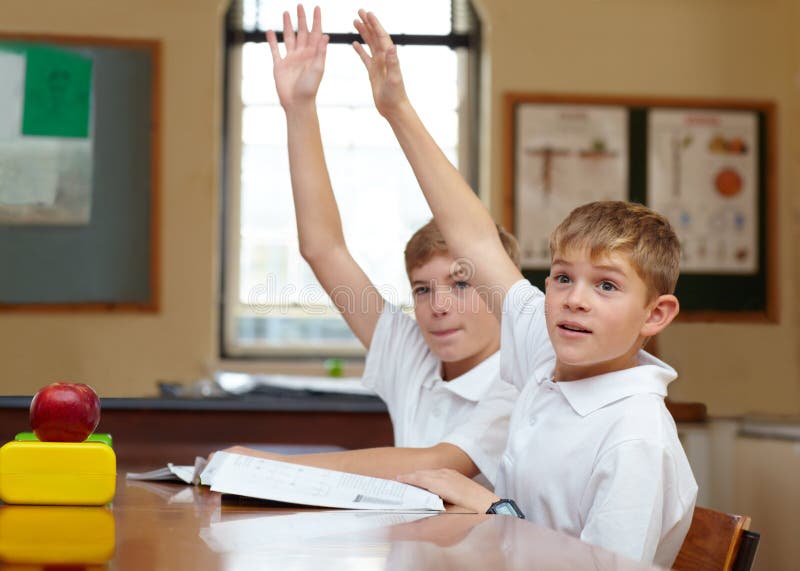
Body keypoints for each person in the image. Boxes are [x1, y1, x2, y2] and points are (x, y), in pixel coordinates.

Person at [351, 10, 697, 567]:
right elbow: (475, 243)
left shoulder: (634, 437)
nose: (575, 298)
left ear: (655, 315)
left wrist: (493, 511)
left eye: (607, 286)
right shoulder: (547, 348)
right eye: (562, 278)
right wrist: (397, 109)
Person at [229, 5, 532, 486]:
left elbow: (436, 463)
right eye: (422, 290)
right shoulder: (413, 355)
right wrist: (299, 108)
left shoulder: (521, 380)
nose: (438, 306)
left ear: (499, 291)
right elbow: (323, 250)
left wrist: (273, 467)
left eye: (460, 284)